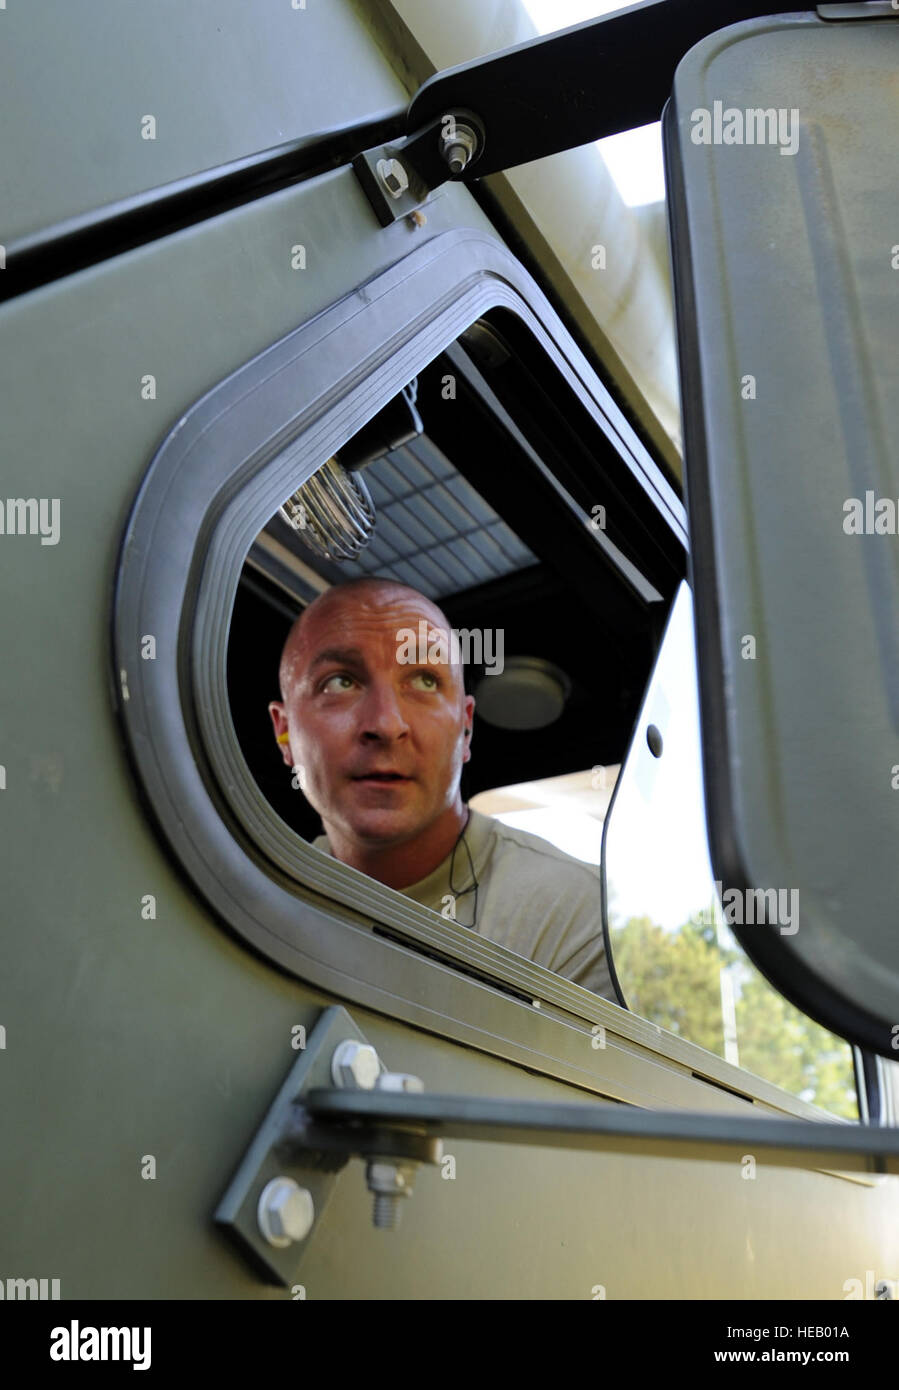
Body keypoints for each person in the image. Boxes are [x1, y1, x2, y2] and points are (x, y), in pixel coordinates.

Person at [268, 576, 617, 1002]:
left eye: (424, 681)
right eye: (340, 682)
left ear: (466, 729)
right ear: (284, 732)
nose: (386, 724)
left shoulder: (580, 917)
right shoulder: (256, 902)